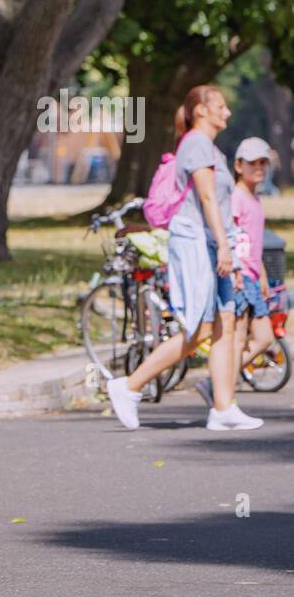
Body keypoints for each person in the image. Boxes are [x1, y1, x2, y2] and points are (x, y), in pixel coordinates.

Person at [106, 88, 262, 431]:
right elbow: (206, 198)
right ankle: (129, 386)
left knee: (225, 322)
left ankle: (223, 408)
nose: (228, 113)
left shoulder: (213, 150)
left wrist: (230, 253)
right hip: (196, 244)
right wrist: (224, 246)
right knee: (200, 327)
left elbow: (220, 203)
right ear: (201, 110)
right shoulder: (195, 144)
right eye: (221, 106)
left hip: (215, 245)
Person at [228, 138, 277, 386]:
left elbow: (255, 243)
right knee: (241, 337)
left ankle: (219, 382)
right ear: (238, 166)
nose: (259, 167)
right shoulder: (236, 197)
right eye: (252, 163)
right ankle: (220, 385)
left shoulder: (254, 199)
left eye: (263, 163)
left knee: (263, 337)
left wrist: (263, 276)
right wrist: (236, 270)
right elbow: (230, 234)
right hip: (240, 276)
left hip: (253, 276)